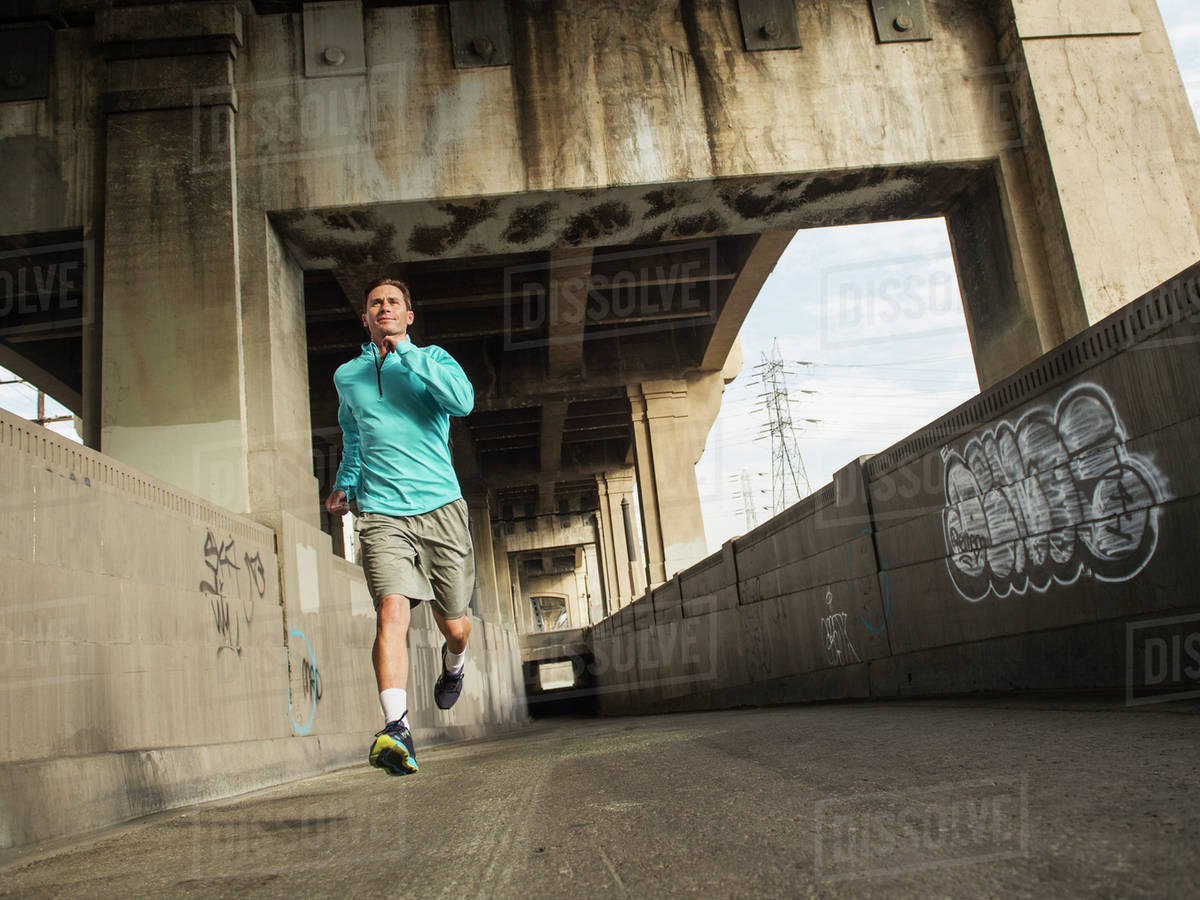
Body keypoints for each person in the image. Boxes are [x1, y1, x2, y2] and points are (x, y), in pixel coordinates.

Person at [324, 277, 476, 776]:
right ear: (364, 318)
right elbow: (353, 434)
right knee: (391, 611)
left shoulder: (434, 360)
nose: (384, 308)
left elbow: (462, 402)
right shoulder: (348, 376)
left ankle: (453, 663)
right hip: (382, 513)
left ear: (408, 316)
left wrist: (406, 354)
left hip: (440, 509)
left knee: (453, 625)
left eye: (393, 303)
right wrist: (347, 481)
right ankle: (396, 728)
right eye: (375, 304)